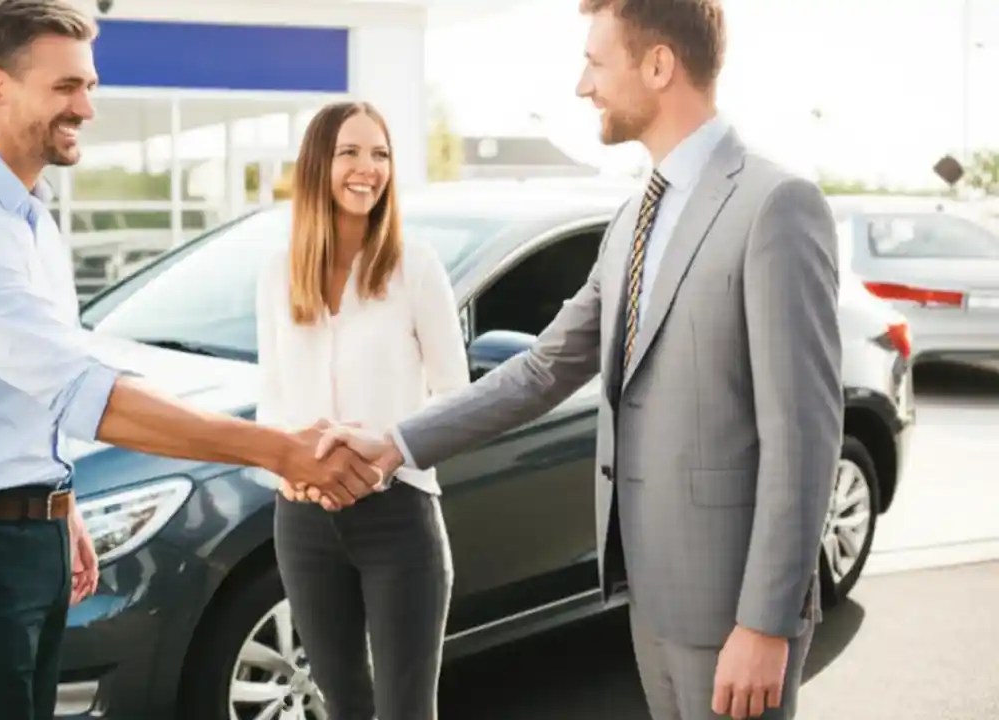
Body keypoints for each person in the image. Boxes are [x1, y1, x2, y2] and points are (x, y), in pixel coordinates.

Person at [315, 1, 842, 719]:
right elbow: (544, 368)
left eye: (596, 63)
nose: (582, 85)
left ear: (659, 66)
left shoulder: (776, 204)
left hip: (734, 611)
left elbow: (804, 436)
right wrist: (394, 443)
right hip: (649, 595)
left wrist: (766, 622)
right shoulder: (632, 218)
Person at [0, 2, 382, 719]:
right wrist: (279, 451)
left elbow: (31, 386)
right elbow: (85, 391)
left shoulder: (28, 214)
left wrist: (60, 503)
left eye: (89, 85)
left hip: (28, 531)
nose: (87, 107)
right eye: (65, 87)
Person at [255, 101, 469, 720]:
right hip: (302, 521)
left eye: (380, 154)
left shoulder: (415, 267)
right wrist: (286, 469)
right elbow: (272, 395)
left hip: (398, 517)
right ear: (318, 164)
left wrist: (385, 448)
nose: (367, 168)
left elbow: (456, 396)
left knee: (405, 709)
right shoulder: (277, 272)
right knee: (343, 704)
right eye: (349, 152)